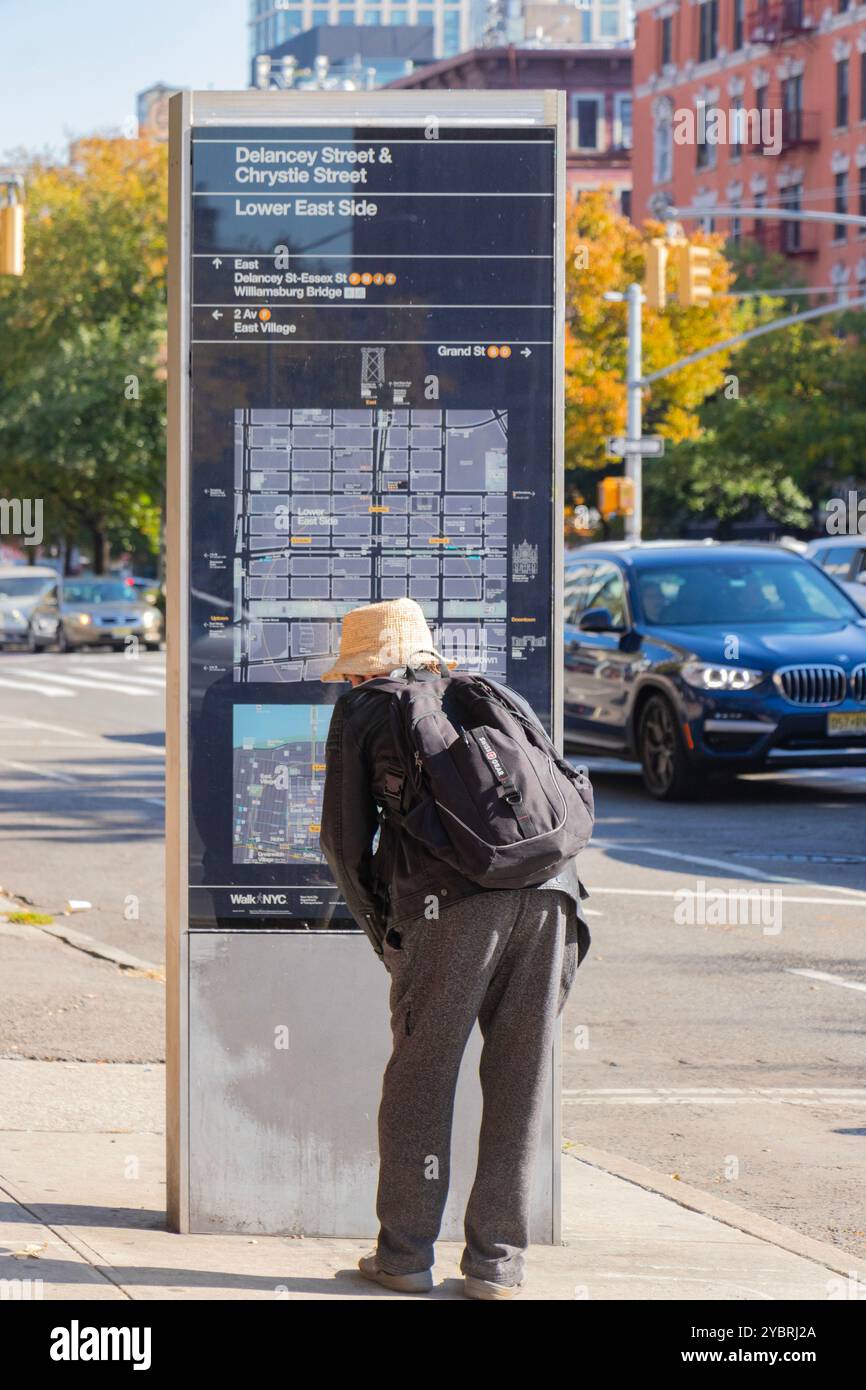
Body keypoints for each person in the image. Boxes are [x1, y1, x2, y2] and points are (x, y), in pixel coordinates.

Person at [319, 597, 592, 1300]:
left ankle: (405, 1257)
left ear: (360, 668)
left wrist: (386, 934)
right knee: (518, 1077)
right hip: (553, 895)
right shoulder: (482, 693)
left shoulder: (367, 709)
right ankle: (496, 1265)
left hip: (451, 908)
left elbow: (343, 844)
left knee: (421, 1075)